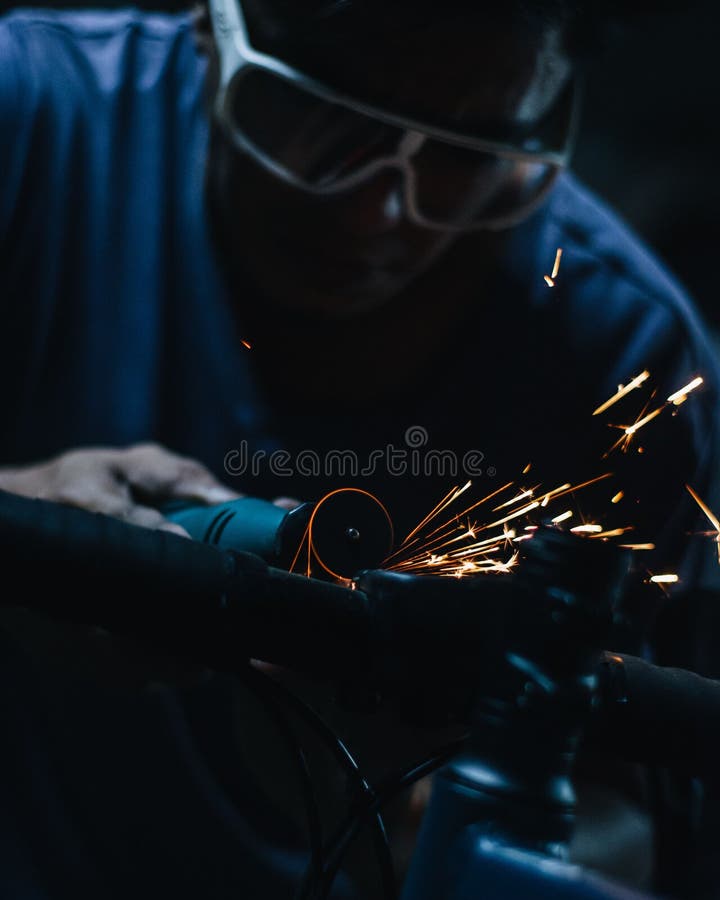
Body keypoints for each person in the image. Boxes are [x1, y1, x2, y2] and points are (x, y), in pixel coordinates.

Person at [0, 0, 717, 896]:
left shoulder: (628, 368)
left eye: (467, 147)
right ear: (209, 25)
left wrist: (473, 833)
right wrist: (28, 529)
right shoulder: (31, 120)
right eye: (318, 108)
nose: (377, 212)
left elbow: (635, 812)